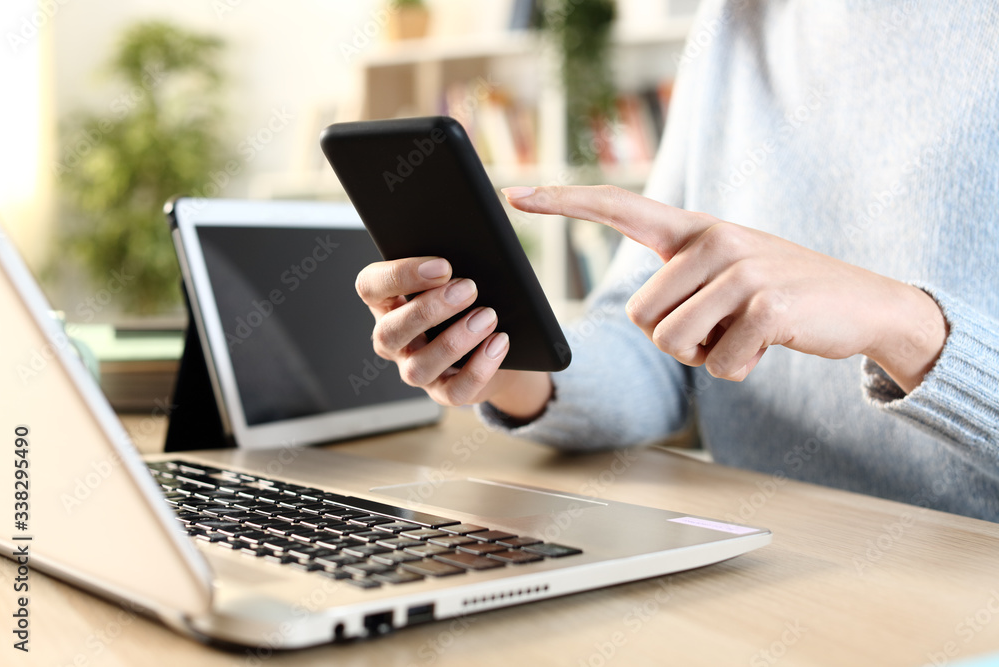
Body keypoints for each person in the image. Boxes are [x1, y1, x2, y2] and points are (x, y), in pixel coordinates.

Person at [355, 1, 999, 522]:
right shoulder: (731, 23)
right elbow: (654, 351)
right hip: (760, 550)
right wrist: (513, 368)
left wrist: (908, 329)